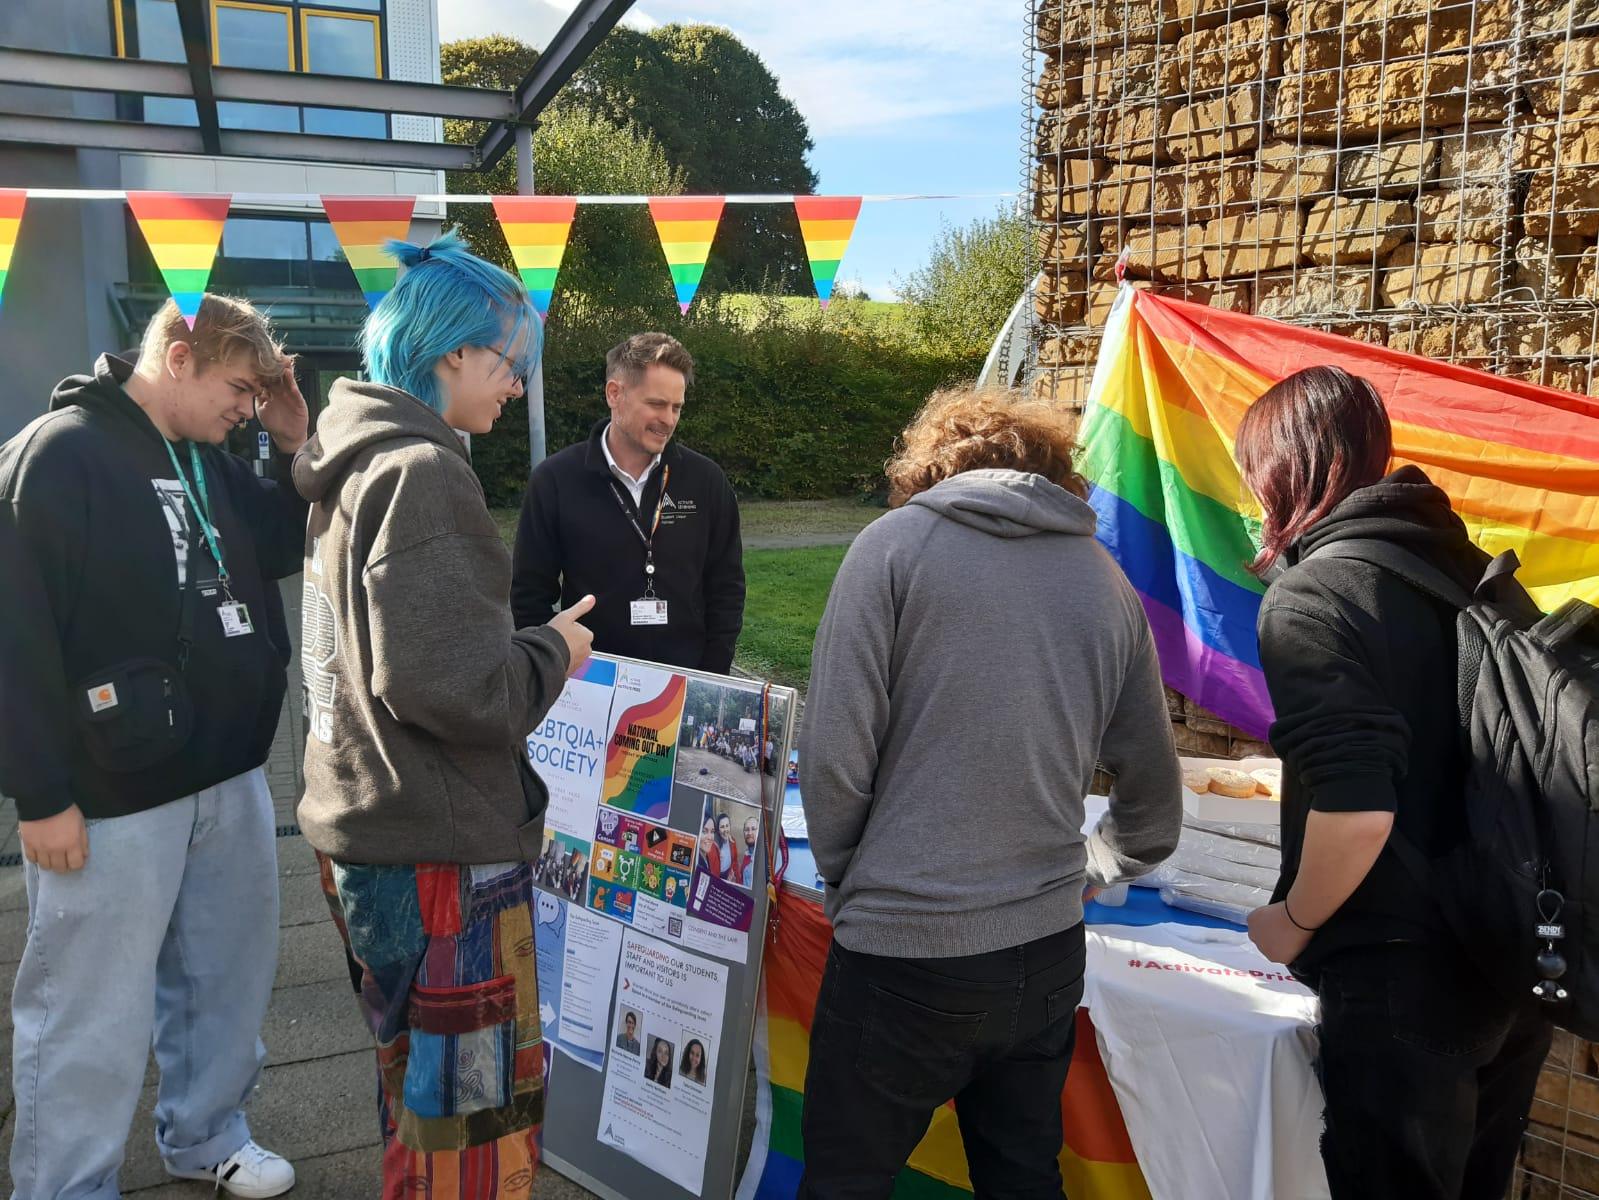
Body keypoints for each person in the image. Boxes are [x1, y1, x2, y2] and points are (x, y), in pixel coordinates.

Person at [797, 388, 1182, 1200]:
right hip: (1042, 951)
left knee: (845, 1182)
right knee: (1020, 1177)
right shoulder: (1104, 579)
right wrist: (1094, 869)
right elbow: (1154, 801)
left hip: (904, 945)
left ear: (929, 467)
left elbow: (833, 758)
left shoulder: (891, 549)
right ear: (1051, 471)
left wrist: (848, 882)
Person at [294, 232, 595, 1199]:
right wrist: (554, 649)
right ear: (454, 352)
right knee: (470, 1134)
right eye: (511, 364)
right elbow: (455, 689)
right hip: (439, 853)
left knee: (416, 1105)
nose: (516, 388)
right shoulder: (422, 472)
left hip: (371, 830)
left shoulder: (351, 462)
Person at [0, 295, 308, 1199]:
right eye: (240, 387)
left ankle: (206, 1134)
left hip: (228, 773)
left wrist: (294, 445)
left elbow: (287, 540)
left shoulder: (205, 460)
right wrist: (41, 794)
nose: (247, 407)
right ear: (179, 357)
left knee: (226, 979)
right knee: (87, 1010)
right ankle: (65, 1184)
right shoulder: (59, 455)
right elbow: (13, 638)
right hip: (108, 795)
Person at [1236, 366, 1553, 1200]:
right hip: (1512, 952)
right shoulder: (1474, 572)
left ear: (1277, 473)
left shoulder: (1312, 596)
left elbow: (1356, 808)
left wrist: (1290, 920)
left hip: (1403, 977)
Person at [510, 332, 746, 673]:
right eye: (656, 404)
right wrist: (552, 668)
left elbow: (727, 587)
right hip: (591, 682)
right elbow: (530, 593)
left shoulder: (706, 481)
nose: (668, 419)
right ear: (614, 394)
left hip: (682, 683)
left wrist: (711, 674)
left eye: (676, 406)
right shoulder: (555, 480)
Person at [715, 812, 742, 883]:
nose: (725, 830)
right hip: (717, 876)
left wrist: (738, 880)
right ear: (717, 830)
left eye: (727, 826)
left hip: (728, 875)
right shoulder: (714, 845)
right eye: (722, 827)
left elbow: (735, 861)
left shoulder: (732, 841)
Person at [741, 816, 760, 888]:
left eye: (753, 829)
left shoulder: (761, 859)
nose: (749, 833)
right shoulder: (747, 853)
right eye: (746, 829)